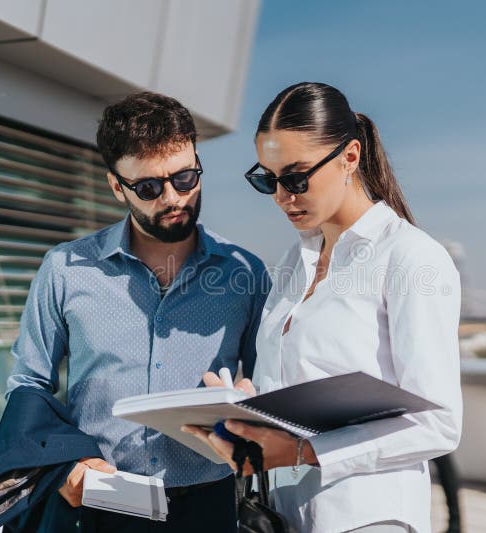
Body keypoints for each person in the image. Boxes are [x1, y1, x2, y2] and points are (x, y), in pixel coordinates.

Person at [184, 82, 462, 533]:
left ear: (350, 157)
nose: (280, 195)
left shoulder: (410, 257)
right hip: (285, 514)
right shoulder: (295, 263)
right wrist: (240, 410)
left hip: (365, 517)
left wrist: (302, 453)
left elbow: (438, 423)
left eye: (296, 177)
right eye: (266, 178)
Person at [6, 91, 270, 532]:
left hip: (210, 505)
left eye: (185, 178)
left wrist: (249, 405)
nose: (173, 198)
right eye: (148, 187)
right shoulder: (66, 269)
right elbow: (29, 385)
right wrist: (66, 467)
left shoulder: (246, 274)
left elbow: (267, 386)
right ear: (116, 186)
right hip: (100, 500)